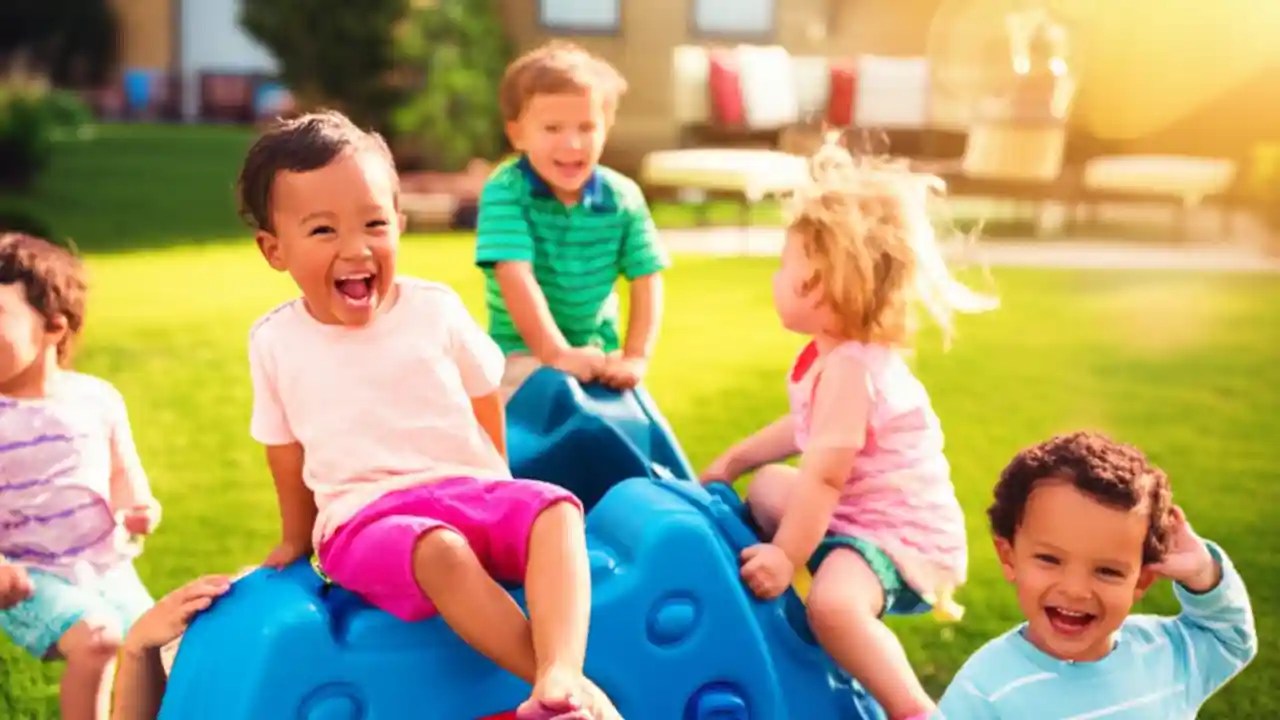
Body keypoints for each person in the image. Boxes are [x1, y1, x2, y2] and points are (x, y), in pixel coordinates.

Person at [238, 110, 619, 719]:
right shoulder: (275, 341)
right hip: (363, 522)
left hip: (468, 491)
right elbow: (283, 449)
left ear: (400, 224)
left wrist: (499, 480)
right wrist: (293, 535)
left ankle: (561, 671)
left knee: (556, 509)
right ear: (273, 250)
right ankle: (567, 694)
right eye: (323, 231)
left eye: (374, 224)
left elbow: (482, 393)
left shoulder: (434, 309)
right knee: (438, 549)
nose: (356, 248)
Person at [700, 140, 998, 720]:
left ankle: (912, 709)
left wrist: (788, 557)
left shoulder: (851, 369)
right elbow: (804, 429)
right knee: (764, 488)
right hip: (858, 516)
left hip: (896, 536)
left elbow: (826, 479)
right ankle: (780, 616)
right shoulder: (829, 359)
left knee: (834, 606)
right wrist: (736, 459)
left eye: (787, 265)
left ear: (825, 284)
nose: (776, 277)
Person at [934, 431, 1257, 718]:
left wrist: (1203, 571)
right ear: (1009, 557)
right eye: (1049, 559)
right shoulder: (987, 686)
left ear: (1141, 580)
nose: (1076, 590)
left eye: (1107, 571)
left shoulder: (1166, 655)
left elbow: (1229, 637)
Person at [0, 232, 161, 720]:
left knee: (157, 642)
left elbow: (122, 472)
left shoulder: (97, 399)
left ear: (53, 328)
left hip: (105, 565)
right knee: (98, 638)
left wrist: (139, 508)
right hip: (28, 575)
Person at [475, 41, 669, 400]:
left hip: (599, 353)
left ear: (606, 127)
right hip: (521, 355)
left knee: (628, 429)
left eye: (586, 127)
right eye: (552, 129)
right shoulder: (507, 191)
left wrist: (635, 357)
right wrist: (555, 354)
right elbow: (514, 274)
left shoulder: (622, 197)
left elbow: (647, 276)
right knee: (531, 431)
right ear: (518, 133)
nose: (572, 143)